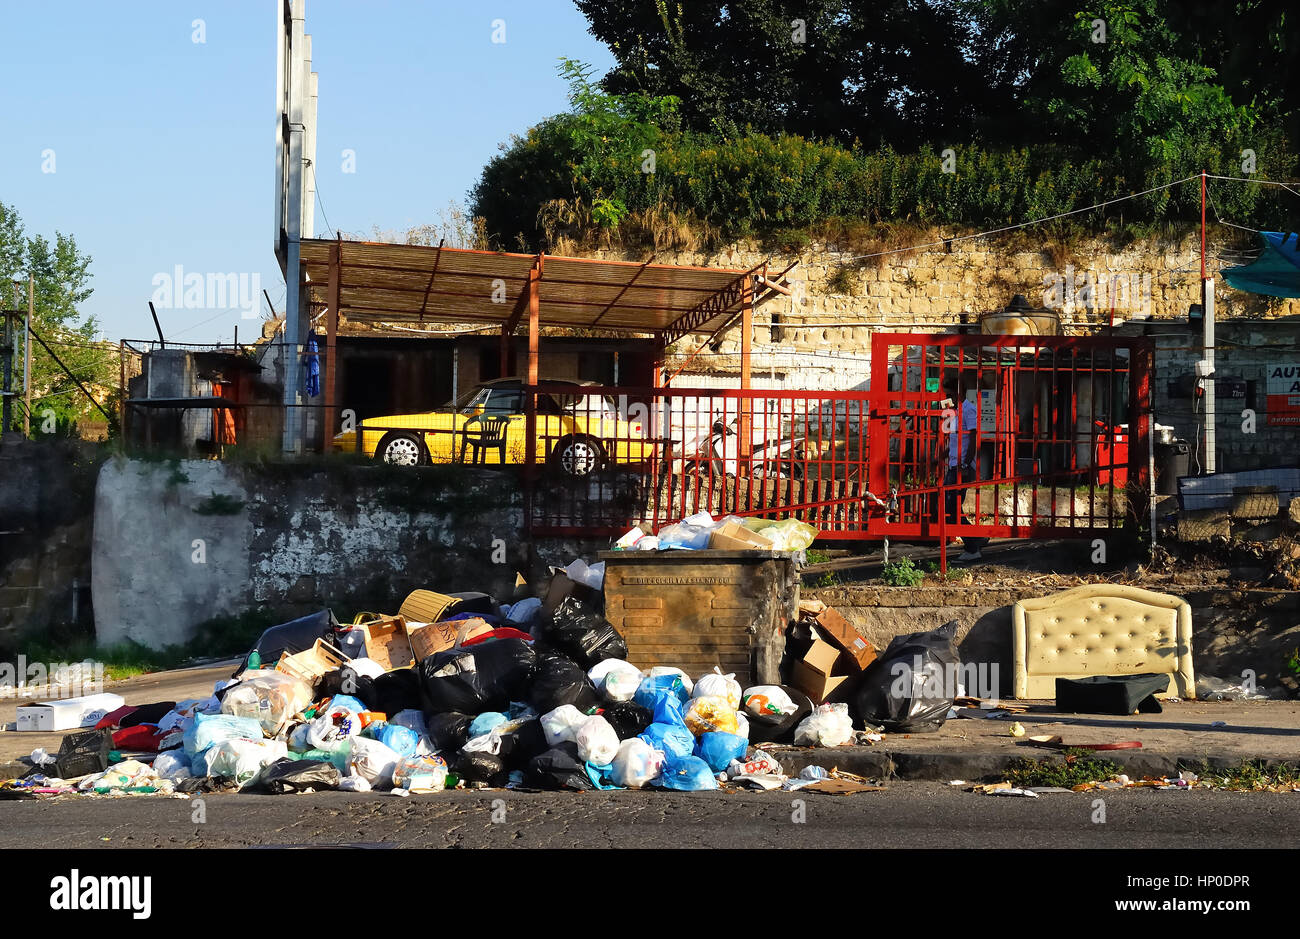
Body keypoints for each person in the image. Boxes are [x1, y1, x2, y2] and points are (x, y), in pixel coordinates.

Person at [940, 377, 988, 562]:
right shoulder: (954, 412)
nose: (946, 397)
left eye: (949, 393)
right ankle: (976, 537)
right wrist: (941, 457)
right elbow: (954, 440)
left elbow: (974, 439)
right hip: (954, 465)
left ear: (958, 392)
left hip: (961, 468)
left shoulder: (969, 410)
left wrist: (966, 465)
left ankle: (972, 546)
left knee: (950, 508)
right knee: (951, 506)